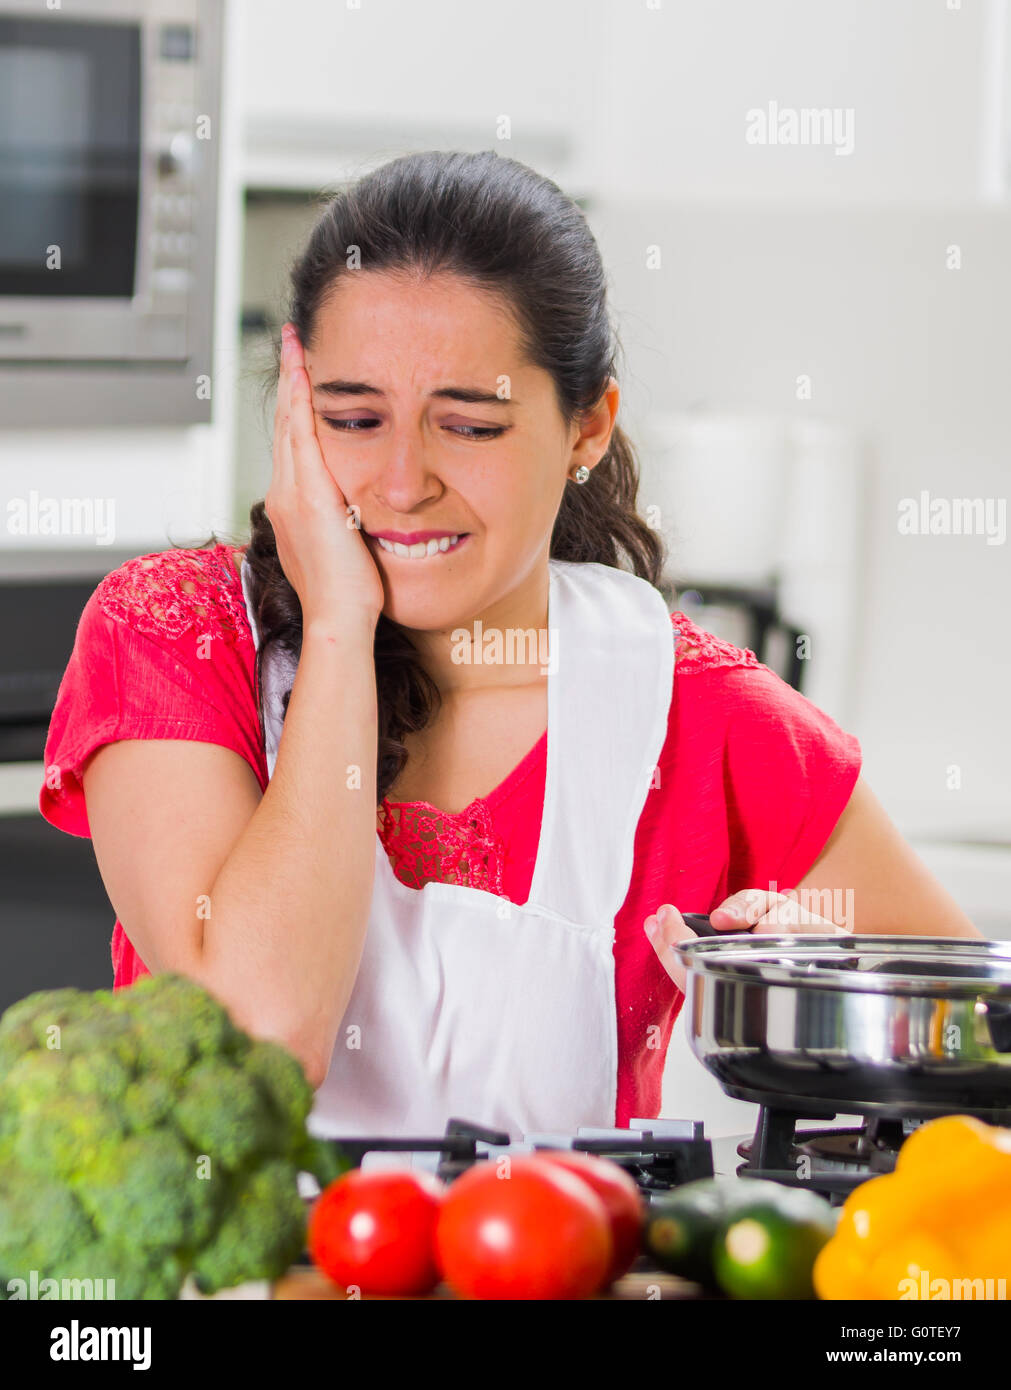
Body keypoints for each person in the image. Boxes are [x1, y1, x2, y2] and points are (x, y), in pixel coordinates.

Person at [39, 150, 982, 1139]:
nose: (401, 482)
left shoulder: (696, 715)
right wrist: (338, 628)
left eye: (471, 426)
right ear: (293, 408)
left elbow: (977, 1067)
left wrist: (833, 1012)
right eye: (353, 418)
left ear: (588, 426)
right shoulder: (173, 636)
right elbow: (262, 1032)